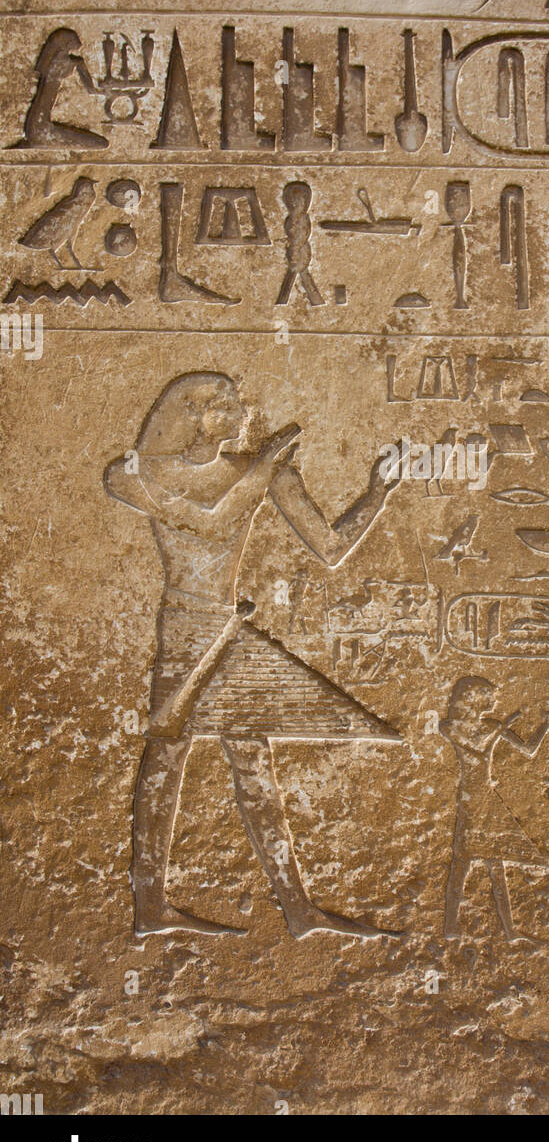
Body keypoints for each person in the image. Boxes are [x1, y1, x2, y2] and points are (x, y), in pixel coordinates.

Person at [104, 371, 400, 939]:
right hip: (188, 629)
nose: (243, 412)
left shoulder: (255, 473)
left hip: (227, 631)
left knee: (251, 761)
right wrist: (264, 465)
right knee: (165, 759)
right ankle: (149, 906)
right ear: (194, 414)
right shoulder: (136, 473)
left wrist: (376, 494)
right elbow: (208, 520)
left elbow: (331, 549)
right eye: (228, 404)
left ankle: (297, 908)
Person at [439, 677, 549, 943]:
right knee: (461, 864)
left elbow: (528, 749)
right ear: (474, 698)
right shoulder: (452, 726)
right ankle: (450, 925)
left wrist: (546, 723)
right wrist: (500, 728)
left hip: (487, 800)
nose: (495, 700)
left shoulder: (491, 726)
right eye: (490, 695)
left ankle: (509, 930)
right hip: (471, 800)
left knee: (496, 866)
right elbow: (476, 752)